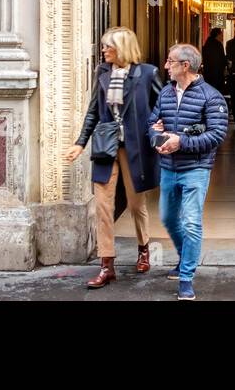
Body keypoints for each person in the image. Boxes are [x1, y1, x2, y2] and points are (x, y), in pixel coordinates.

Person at [64, 26, 163, 289]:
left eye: (109, 46)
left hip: (136, 148)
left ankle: (143, 248)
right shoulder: (103, 73)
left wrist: (161, 133)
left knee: (135, 204)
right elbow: (93, 111)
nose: (104, 50)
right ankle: (106, 265)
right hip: (106, 147)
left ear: (123, 48)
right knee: (103, 207)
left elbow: (161, 108)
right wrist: (80, 143)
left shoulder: (147, 74)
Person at [150, 42, 229, 300]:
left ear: (185, 66)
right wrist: (156, 135)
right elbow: (152, 123)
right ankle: (186, 256)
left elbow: (216, 135)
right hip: (168, 167)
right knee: (169, 218)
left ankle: (186, 276)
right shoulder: (165, 93)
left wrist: (180, 142)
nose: (165, 66)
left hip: (195, 168)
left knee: (191, 222)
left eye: (170, 61)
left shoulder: (211, 97)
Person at [201, 27, 228, 95]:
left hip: (208, 73)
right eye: (221, 34)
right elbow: (221, 59)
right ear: (217, 34)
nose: (222, 36)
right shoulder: (218, 45)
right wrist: (226, 64)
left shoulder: (207, 43)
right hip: (217, 75)